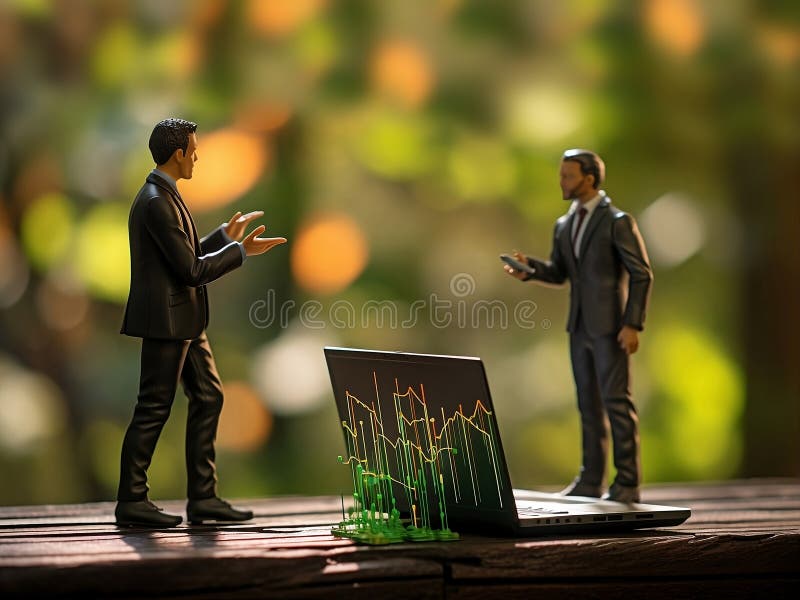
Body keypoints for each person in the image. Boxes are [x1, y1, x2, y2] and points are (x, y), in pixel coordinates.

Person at [116, 118, 286, 527]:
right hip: (167, 323)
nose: (196, 157)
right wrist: (239, 253)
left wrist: (224, 237)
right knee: (153, 407)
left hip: (186, 321)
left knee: (209, 397)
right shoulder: (156, 202)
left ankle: (203, 497)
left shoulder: (165, 195)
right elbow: (190, 270)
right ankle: (132, 499)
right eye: (193, 151)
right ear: (177, 154)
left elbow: (183, 254)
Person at [504, 149, 652, 503]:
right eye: (561, 174)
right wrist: (531, 269)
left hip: (610, 326)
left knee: (616, 402)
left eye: (568, 175)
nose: (562, 181)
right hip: (579, 325)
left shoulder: (616, 221)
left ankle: (627, 481)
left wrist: (632, 323)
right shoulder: (565, 224)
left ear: (589, 178)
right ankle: (590, 478)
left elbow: (641, 274)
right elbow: (560, 272)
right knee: (588, 404)